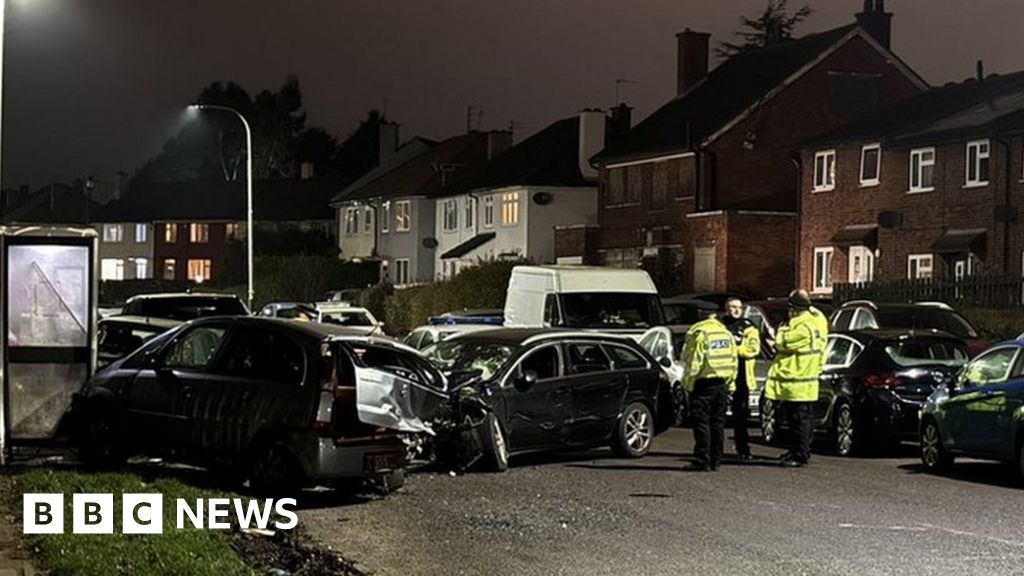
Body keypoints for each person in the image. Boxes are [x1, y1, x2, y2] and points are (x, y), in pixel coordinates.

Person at [764, 290, 828, 468]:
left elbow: (782, 341)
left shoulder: (802, 326)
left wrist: (781, 330)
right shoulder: (817, 320)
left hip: (797, 380)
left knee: (799, 421)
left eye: (790, 309)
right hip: (805, 379)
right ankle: (796, 451)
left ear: (795, 309)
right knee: (801, 419)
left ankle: (799, 455)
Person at [681, 310, 738, 471]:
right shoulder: (726, 334)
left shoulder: (700, 333)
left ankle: (702, 459)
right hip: (721, 384)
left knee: (701, 423)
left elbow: (694, 363)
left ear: (701, 317)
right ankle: (716, 460)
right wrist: (731, 385)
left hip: (703, 384)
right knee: (718, 423)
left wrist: (688, 385)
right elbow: (734, 362)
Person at [721, 298, 761, 460]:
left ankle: (743, 448)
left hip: (742, 377)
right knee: (718, 416)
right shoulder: (720, 326)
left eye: (739, 307)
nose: (736, 310)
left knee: (741, 416)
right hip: (723, 375)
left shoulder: (749, 327)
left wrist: (733, 349)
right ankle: (715, 449)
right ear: (726, 309)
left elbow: (752, 349)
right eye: (732, 307)